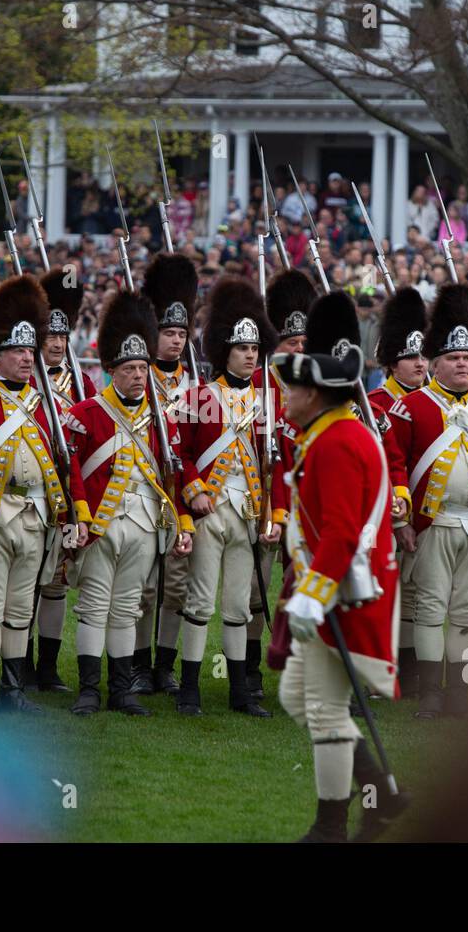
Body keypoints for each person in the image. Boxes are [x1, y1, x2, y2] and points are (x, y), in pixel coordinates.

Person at [269, 305, 404, 843]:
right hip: (331, 590)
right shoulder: (328, 434)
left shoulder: (337, 441)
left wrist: (311, 596)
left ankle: (332, 825)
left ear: (316, 394)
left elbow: (343, 533)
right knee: (298, 697)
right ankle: (381, 794)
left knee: (323, 708)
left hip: (344, 594)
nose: (284, 396)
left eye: (292, 389)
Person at [0, 276, 90, 713]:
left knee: (20, 606)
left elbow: (71, 468)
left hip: (37, 516)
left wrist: (77, 515)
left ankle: (13, 690)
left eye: (31, 351)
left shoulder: (50, 405)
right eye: (19, 352)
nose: (28, 358)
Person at [63, 291, 195, 716]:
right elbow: (72, 471)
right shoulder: (87, 413)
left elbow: (173, 474)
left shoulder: (161, 418)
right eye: (130, 369)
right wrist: (80, 517)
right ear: (112, 372)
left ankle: (121, 690)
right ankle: (89, 689)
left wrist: (183, 524)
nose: (139, 375)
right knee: (94, 605)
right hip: (101, 521)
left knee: (126, 607)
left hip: (143, 523)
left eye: (143, 368)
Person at [383, 284, 468, 719]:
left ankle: (457, 692)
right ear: (434, 364)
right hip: (434, 524)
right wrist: (402, 517)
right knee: (431, 607)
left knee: (467, 613)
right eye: (454, 359)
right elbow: (394, 463)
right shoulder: (412, 406)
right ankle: (431, 694)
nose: (462, 365)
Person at [174, 277, 279, 717]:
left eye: (254, 348)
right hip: (209, 511)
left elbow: (279, 463)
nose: (250, 354)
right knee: (199, 601)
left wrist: (276, 514)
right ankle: (190, 690)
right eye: (241, 348)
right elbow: (179, 453)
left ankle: (239, 692)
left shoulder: (267, 402)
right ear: (224, 350)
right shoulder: (199, 397)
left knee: (238, 604)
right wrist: (195, 490)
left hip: (249, 512)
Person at [23, 266, 100, 693]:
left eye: (62, 338)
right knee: (26, 582)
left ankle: (48, 669)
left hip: (70, 494)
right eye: (49, 337)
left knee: (56, 583)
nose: (55, 344)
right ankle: (21, 663)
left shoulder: (84, 383)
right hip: (33, 489)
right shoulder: (24, 378)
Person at [247, 268, 316, 701]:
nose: (299, 349)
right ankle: (248, 671)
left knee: (305, 589)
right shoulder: (255, 385)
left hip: (304, 507)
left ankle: (303, 670)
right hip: (259, 500)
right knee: (254, 591)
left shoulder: (317, 390)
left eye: (305, 343)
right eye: (292, 343)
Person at [137, 253, 202, 695]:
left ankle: (165, 666)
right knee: (142, 589)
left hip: (180, 496)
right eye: (168, 332)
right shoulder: (134, 378)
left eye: (181, 333)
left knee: (175, 588)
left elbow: (199, 447)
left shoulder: (197, 386)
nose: (176, 341)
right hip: (142, 490)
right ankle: (138, 666)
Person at [367, 286, 430, 697]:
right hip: (385, 516)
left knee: (417, 596)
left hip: (430, 512)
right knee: (383, 593)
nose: (421, 364)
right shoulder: (373, 403)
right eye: (411, 357)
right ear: (393, 363)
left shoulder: (436, 404)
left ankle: (411, 671)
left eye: (424, 356)